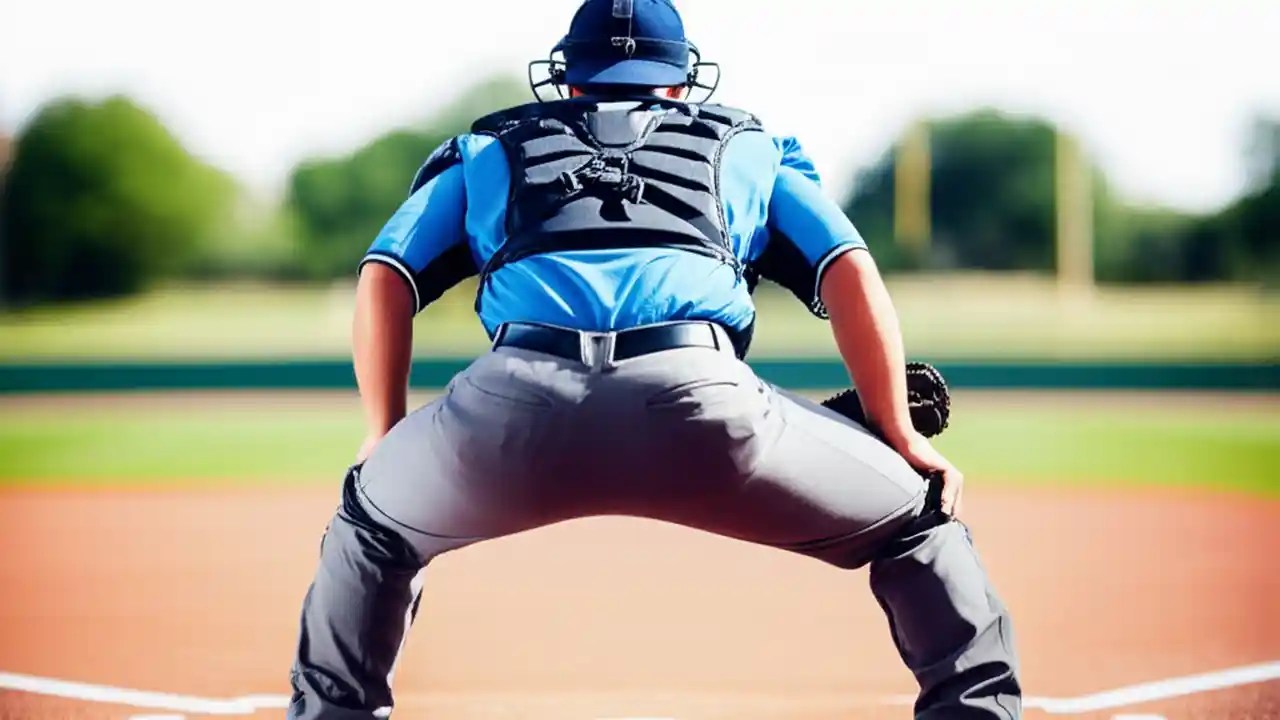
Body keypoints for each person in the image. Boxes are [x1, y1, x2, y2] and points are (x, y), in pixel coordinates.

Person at [286, 1, 1022, 718]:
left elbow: (386, 274)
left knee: (371, 527)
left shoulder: (492, 150)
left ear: (568, 80)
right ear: (678, 82)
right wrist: (895, 429)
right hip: (703, 405)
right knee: (919, 520)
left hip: (510, 410)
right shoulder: (744, 147)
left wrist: (383, 432)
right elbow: (848, 268)